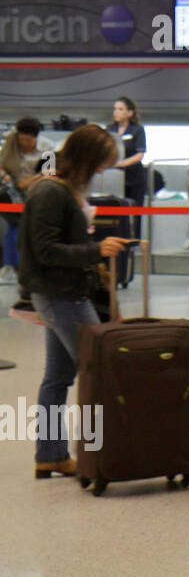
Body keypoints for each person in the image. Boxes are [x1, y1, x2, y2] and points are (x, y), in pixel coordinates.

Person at [19, 124, 130, 477]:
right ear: (85, 159)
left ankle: (50, 455)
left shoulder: (58, 189)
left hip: (62, 292)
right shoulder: (51, 193)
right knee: (98, 367)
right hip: (60, 294)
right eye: (100, 164)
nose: (101, 172)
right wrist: (95, 250)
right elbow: (46, 250)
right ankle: (101, 450)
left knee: (59, 375)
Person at [1, 118, 56, 295]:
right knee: (14, 229)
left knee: (34, 233)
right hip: (14, 196)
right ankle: (17, 272)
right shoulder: (11, 142)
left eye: (29, 141)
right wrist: (5, 176)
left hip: (38, 195)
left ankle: (30, 274)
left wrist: (30, 181)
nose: (24, 144)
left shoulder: (49, 147)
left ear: (36, 137)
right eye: (21, 140)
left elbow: (49, 173)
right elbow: (1, 163)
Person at [109, 97, 147, 238]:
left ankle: (133, 241)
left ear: (130, 113)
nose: (116, 112)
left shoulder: (137, 130)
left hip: (134, 179)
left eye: (120, 109)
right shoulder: (110, 129)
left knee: (134, 212)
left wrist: (121, 164)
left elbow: (139, 154)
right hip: (114, 179)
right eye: (115, 109)